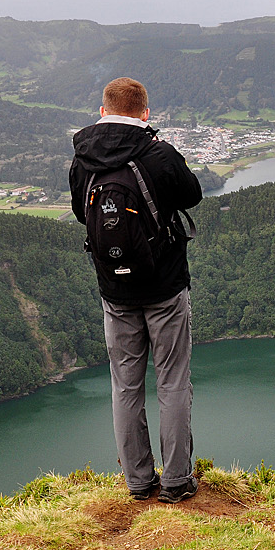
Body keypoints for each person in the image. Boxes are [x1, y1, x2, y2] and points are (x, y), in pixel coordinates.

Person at [69, 77, 203, 503]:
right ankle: (177, 482)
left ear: (103, 109)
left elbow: (80, 213)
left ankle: (138, 483)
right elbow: (193, 195)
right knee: (173, 382)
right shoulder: (158, 153)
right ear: (145, 112)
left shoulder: (83, 159)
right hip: (164, 287)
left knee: (126, 386)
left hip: (115, 290)